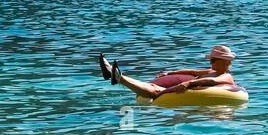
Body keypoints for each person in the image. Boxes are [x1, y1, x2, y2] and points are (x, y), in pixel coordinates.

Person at [98, 45, 239, 100]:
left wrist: (188, 83)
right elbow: (192, 70)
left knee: (155, 91)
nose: (211, 62)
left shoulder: (226, 75)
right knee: (152, 87)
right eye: (211, 60)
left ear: (225, 61)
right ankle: (115, 75)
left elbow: (212, 82)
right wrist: (170, 73)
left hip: (191, 91)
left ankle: (116, 76)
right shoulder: (211, 70)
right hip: (187, 91)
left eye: (214, 60)